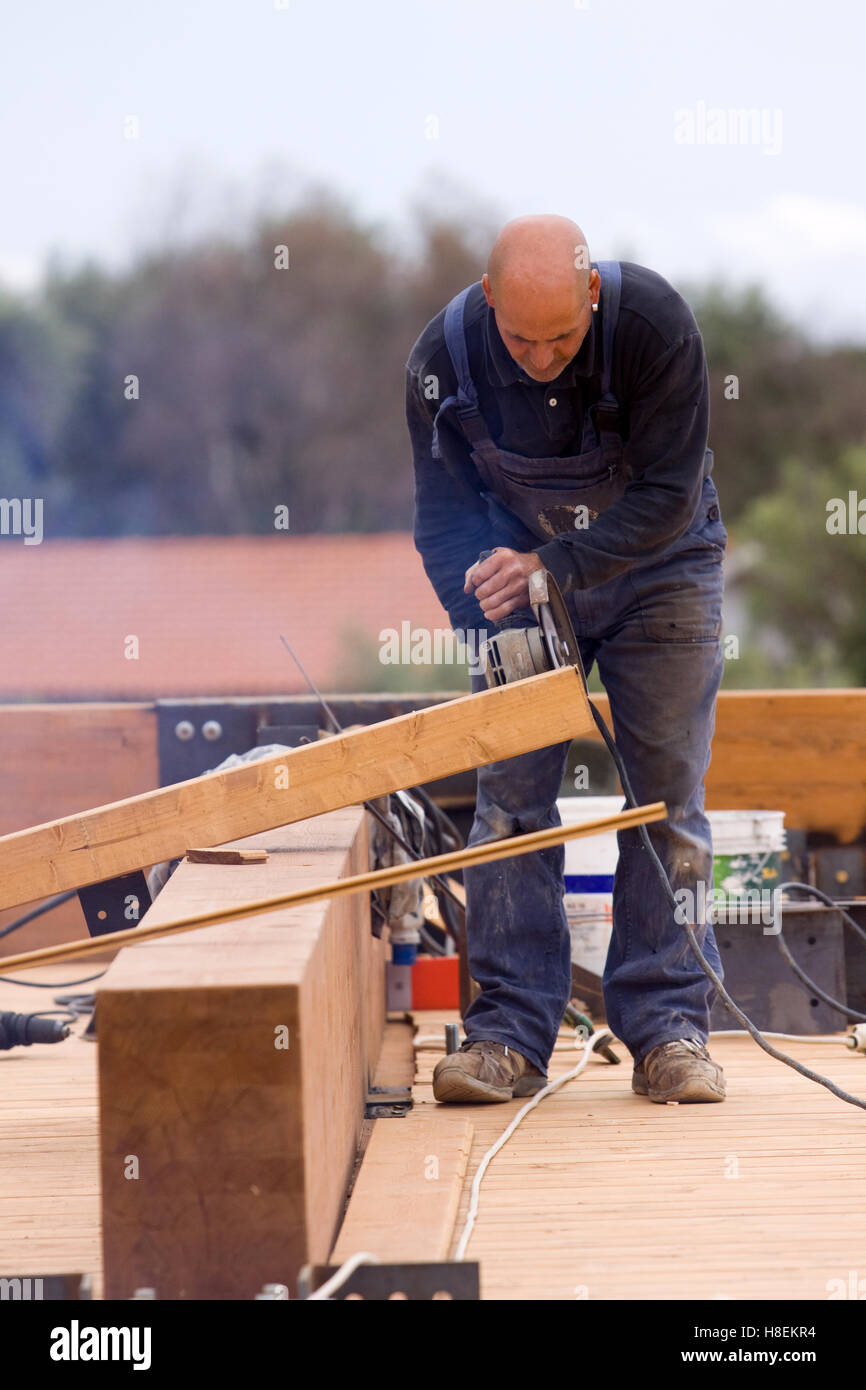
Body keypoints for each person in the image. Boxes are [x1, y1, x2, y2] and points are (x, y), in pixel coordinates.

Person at [405, 214, 727, 1105]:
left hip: (664, 570)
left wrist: (556, 567)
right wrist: (489, 633)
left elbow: (667, 495)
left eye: (562, 338)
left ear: (592, 296)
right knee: (511, 804)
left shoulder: (655, 327)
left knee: (667, 800)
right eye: (520, 338)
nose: (542, 358)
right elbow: (441, 520)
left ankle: (670, 1030)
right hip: (521, 577)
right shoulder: (442, 361)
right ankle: (506, 1034)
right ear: (485, 298)